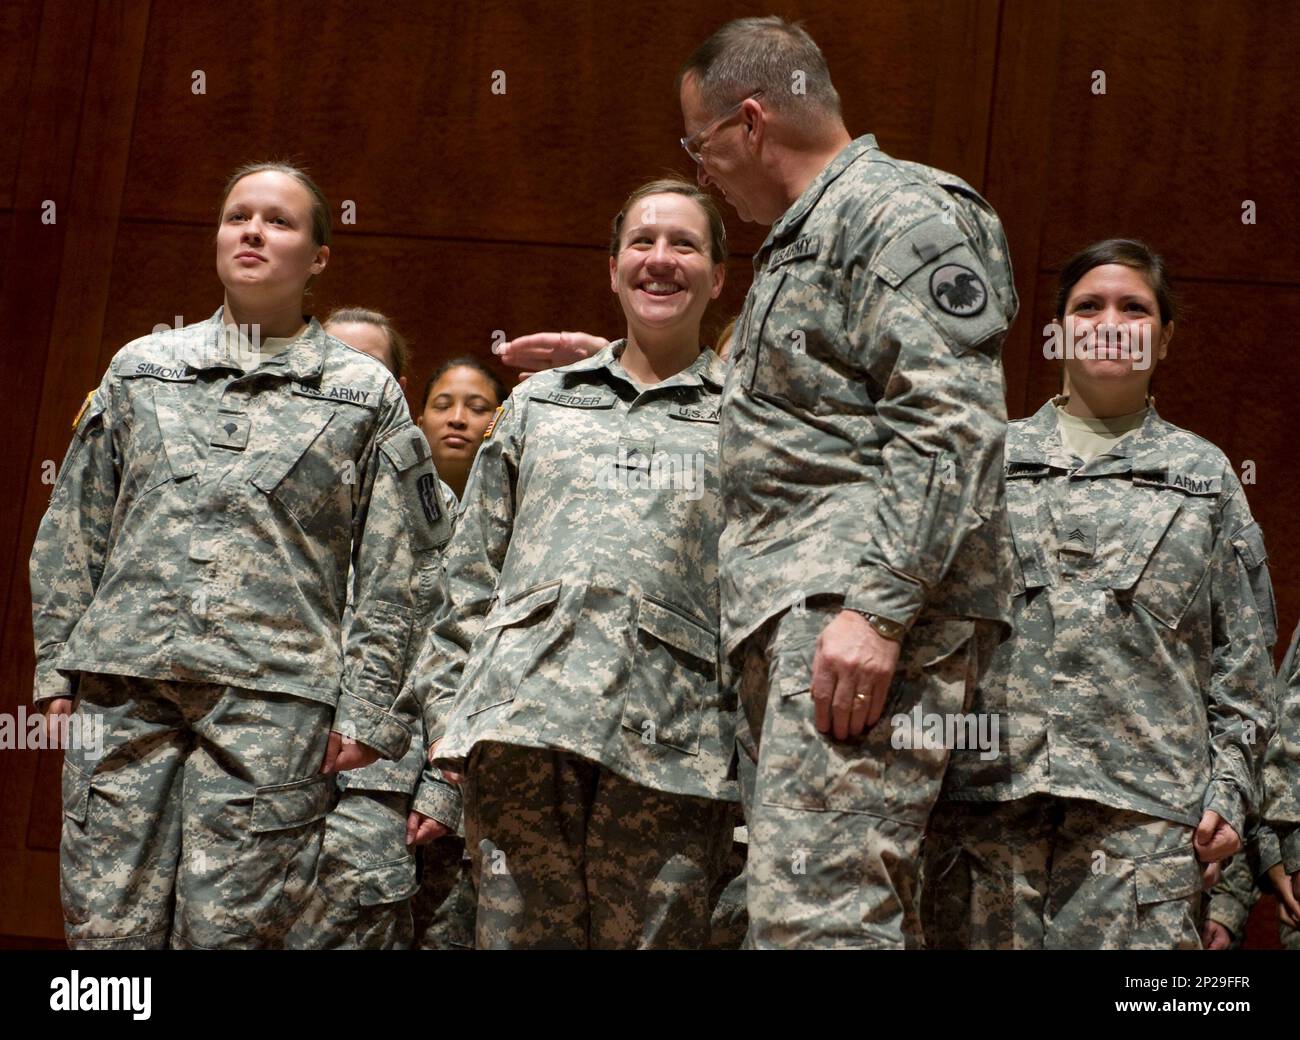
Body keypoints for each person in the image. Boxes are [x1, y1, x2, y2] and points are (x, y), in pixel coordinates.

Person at [30, 161, 451, 949]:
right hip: (126, 686)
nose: (253, 231)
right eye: (238, 216)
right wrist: (56, 666)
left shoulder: (364, 392)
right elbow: (74, 524)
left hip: (274, 698)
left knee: (234, 934)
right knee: (103, 931)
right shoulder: (142, 367)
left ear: (320, 257)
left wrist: (365, 706)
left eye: (280, 221)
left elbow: (403, 567)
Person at [674, 16, 1019, 948]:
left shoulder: (896, 214)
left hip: (851, 617)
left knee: (814, 920)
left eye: (698, 145)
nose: (700, 171)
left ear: (751, 122)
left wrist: (879, 609)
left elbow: (950, 425)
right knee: (838, 913)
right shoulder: (807, 236)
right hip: (812, 615)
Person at [921, 239, 1277, 949]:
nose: (1110, 320)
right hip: (987, 824)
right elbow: (923, 635)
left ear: (1165, 337)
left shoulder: (1203, 479)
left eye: (1134, 308)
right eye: (1088, 306)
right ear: (1057, 331)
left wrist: (1231, 795)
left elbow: (1245, 665)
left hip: (1142, 838)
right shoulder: (988, 462)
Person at [426, 177, 737, 948]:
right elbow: (468, 577)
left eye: (684, 245)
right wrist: (449, 719)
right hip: (523, 733)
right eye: (642, 242)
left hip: (672, 747)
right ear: (612, 266)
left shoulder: (750, 420)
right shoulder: (538, 404)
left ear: (720, 277)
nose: (660, 260)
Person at [284, 306, 458, 950]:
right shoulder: (262, 490)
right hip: (261, 761)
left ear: (396, 392)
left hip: (374, 783)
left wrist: (443, 784)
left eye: (370, 369)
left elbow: (460, 644)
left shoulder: (432, 503)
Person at [415, 356, 508, 499]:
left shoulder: (524, 504)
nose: (457, 419)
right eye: (442, 406)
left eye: (477, 408)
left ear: (503, 425)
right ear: (420, 425)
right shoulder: (382, 496)